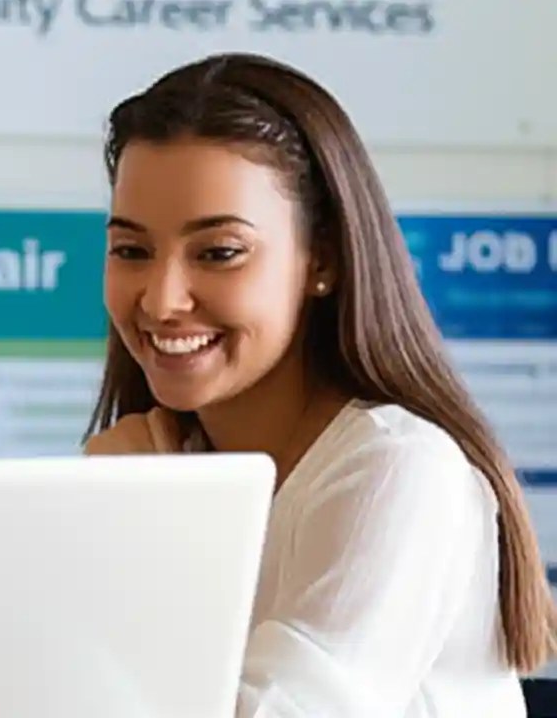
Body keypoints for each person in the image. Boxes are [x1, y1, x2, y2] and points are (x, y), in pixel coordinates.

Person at [83, 53, 554, 716]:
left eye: (219, 252)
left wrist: (150, 541)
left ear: (322, 260)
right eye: (131, 250)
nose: (161, 301)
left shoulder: (397, 468)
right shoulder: (162, 462)